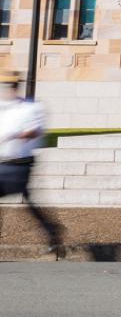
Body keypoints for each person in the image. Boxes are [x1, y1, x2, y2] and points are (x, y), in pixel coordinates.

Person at [0, 70, 63, 253]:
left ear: (16, 87)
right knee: (30, 203)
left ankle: (52, 231)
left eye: (10, 86)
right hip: (3, 162)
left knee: (28, 201)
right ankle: (52, 231)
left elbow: (35, 131)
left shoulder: (31, 107)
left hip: (21, 164)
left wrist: (14, 135)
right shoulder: (3, 108)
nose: (7, 90)